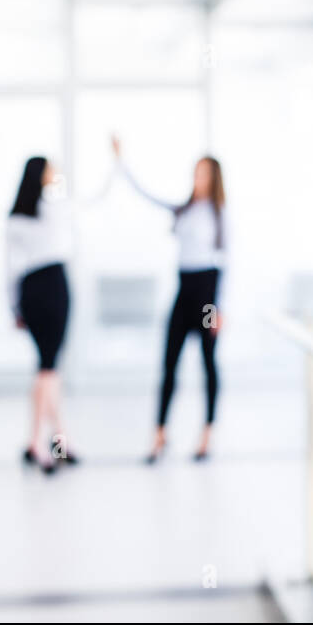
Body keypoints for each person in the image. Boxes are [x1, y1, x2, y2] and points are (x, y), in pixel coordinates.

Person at [111, 137, 227, 463]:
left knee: (207, 362)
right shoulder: (185, 210)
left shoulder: (219, 216)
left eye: (204, 174)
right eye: (196, 173)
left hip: (207, 296)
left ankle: (206, 433)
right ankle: (160, 434)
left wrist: (222, 309)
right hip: (184, 291)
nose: (198, 179)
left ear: (214, 178)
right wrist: (122, 163)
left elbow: (228, 262)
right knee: (169, 363)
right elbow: (147, 194)